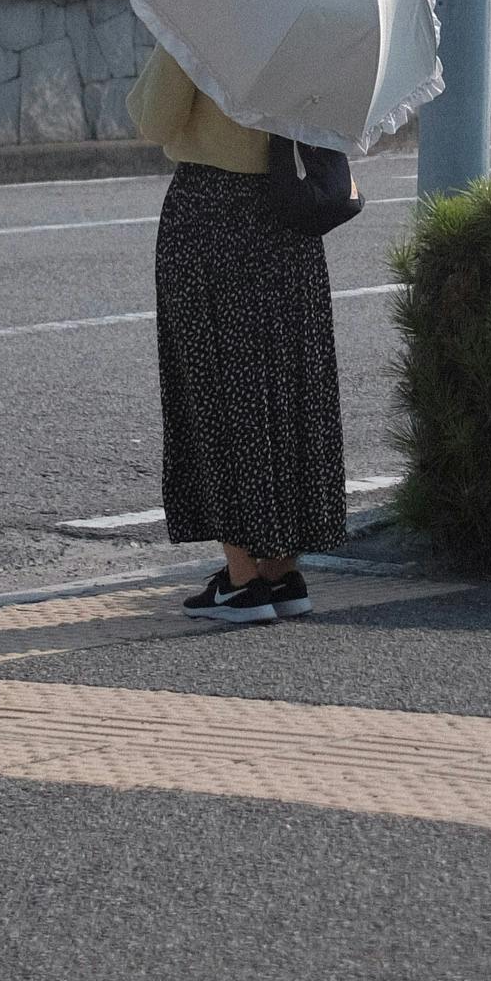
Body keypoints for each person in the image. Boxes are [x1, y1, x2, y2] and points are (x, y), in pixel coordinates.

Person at [127, 40, 346, 627]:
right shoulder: (308, 25)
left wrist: (168, 43)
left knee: (217, 392)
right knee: (286, 390)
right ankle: (282, 572)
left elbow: (153, 120)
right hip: (289, 221)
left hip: (212, 215)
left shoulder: (205, 20)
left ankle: (242, 580)